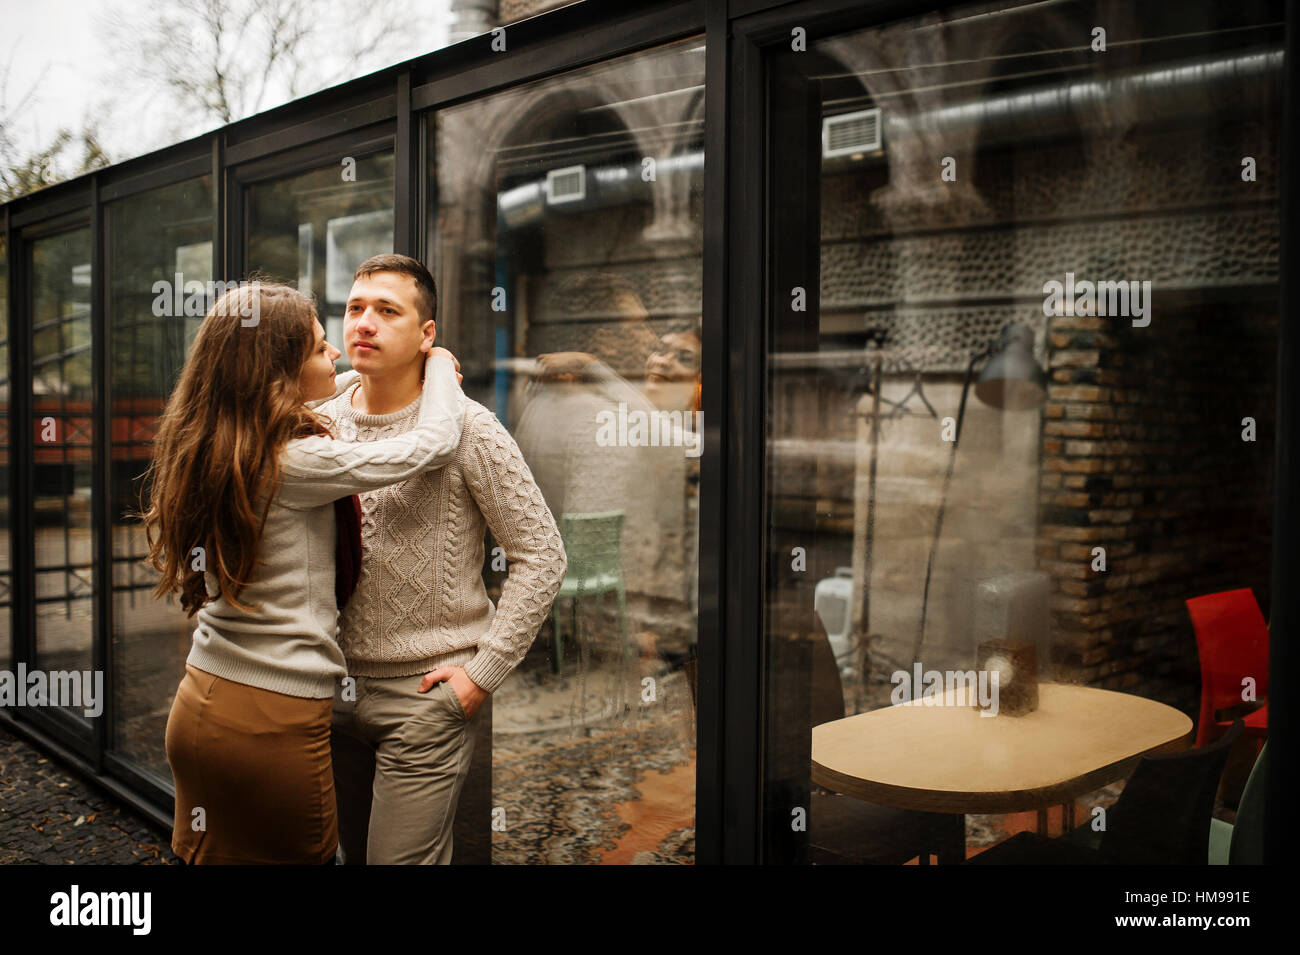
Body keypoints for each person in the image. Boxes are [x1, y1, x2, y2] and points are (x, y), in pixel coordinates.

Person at [142, 280, 466, 865]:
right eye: (321, 349)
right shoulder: (293, 459)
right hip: (272, 720)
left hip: (201, 703)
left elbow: (324, 392)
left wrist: (370, 375)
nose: (337, 353)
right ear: (277, 373)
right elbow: (435, 443)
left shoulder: (220, 440)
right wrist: (437, 365)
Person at [321, 254, 567, 865]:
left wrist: (479, 677)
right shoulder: (319, 424)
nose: (365, 324)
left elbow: (541, 554)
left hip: (425, 697)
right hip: (327, 688)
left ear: (427, 334)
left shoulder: (472, 430)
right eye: (355, 309)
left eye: (387, 310)